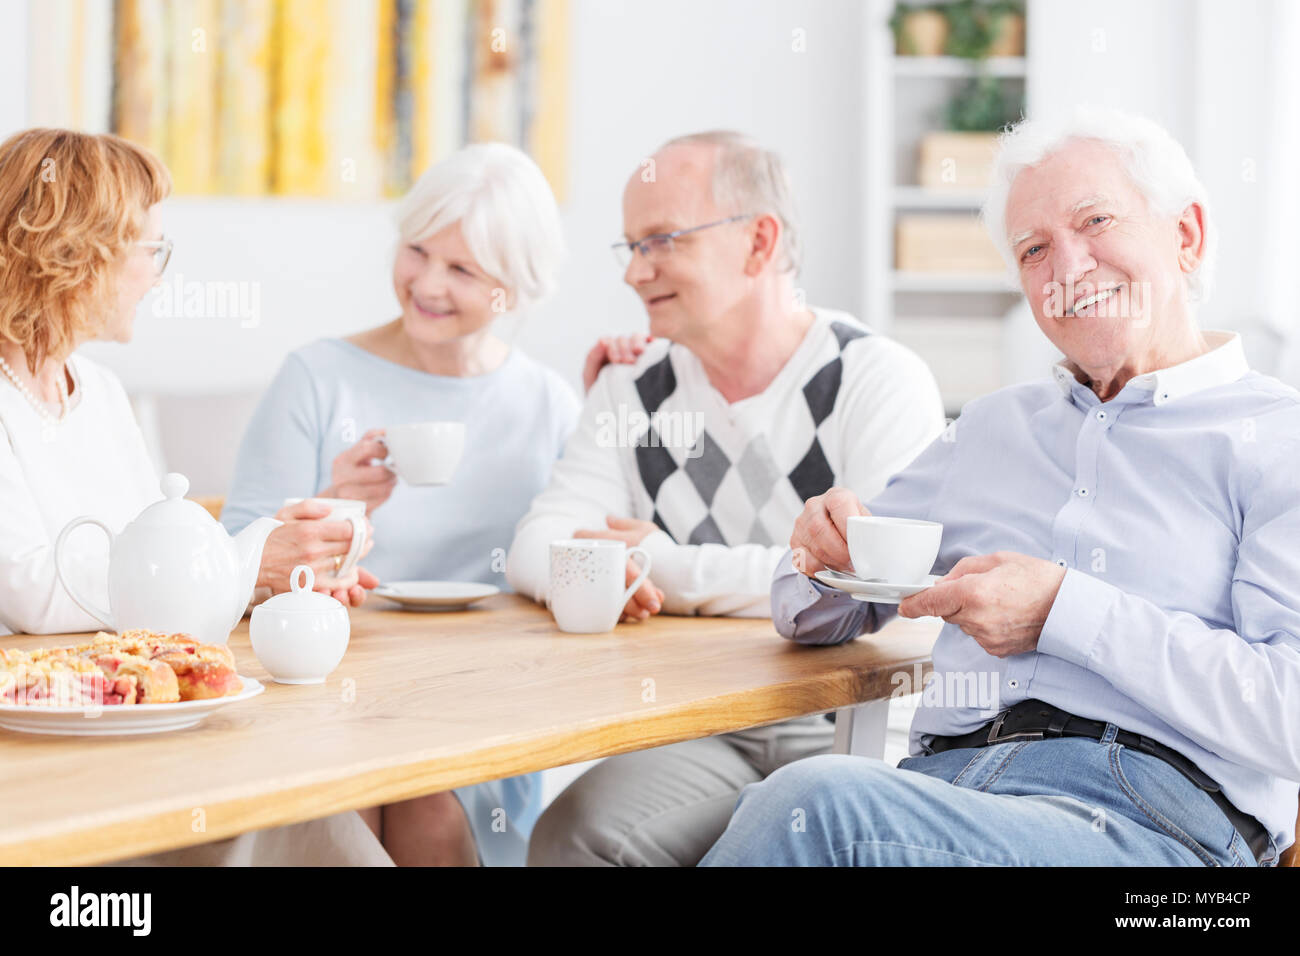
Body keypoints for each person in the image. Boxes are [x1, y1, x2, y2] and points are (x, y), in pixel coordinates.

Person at [701, 107, 1300, 868]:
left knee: (815, 808)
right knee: (663, 823)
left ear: (1186, 236)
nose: (1068, 268)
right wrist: (823, 554)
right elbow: (804, 608)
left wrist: (1062, 610)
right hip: (947, 788)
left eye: (1096, 221)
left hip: (1155, 825)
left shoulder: (1281, 438)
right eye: (1034, 249)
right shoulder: (987, 431)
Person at [508, 131, 945, 866]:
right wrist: (597, 570)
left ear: (758, 242)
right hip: (695, 727)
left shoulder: (877, 380)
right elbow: (535, 544)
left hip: (857, 728)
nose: (636, 272)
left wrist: (662, 567)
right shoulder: (630, 386)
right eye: (631, 248)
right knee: (570, 838)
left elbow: (870, 591)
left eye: (662, 241)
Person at [0, 127, 388, 865]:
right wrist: (247, 558)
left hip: (139, 715)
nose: (157, 274)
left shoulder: (101, 394)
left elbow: (159, 583)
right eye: (149, 249)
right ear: (75, 253)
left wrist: (279, 574)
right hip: (44, 746)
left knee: (316, 804)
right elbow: (31, 592)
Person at [222, 142, 579, 865]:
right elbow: (229, 572)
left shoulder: (546, 403)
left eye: (463, 270)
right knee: (345, 798)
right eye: (417, 250)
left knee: (423, 801)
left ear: (516, 286)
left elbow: (577, 560)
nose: (427, 283)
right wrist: (330, 509)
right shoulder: (317, 378)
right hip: (319, 693)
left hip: (480, 704)